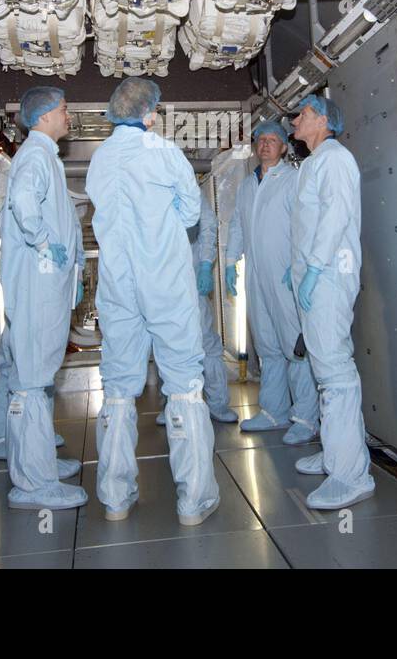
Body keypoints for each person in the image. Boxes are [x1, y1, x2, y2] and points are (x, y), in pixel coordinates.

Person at [87, 78, 220, 525]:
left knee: (120, 388)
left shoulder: (99, 159)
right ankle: (193, 500)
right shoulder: (164, 152)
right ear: (150, 114)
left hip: (118, 287)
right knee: (183, 383)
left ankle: (115, 498)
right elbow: (190, 213)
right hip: (164, 281)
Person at [0, 86, 87, 511]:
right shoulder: (34, 156)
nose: (69, 116)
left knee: (37, 378)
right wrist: (46, 242)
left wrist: (75, 270)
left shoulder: (45, 156)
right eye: (64, 109)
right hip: (37, 286)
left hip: (47, 285)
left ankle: (40, 460)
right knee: (30, 382)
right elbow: (25, 203)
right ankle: (32, 483)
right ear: (45, 115)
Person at [287, 95, 375, 510]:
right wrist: (299, 268)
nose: (295, 120)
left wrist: (316, 268)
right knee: (324, 369)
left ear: (322, 120)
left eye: (302, 114)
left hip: (329, 274)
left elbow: (335, 218)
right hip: (314, 274)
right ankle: (336, 451)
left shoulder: (336, 159)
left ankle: (351, 475)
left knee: (335, 370)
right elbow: (308, 223)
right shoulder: (312, 163)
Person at [224, 120, 319, 445]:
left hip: (286, 275)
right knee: (267, 345)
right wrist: (228, 262)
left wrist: (300, 266)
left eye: (272, 140)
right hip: (256, 275)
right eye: (260, 140)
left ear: (283, 147)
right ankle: (274, 411)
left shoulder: (293, 179)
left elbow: (306, 225)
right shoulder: (248, 185)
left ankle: (306, 417)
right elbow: (237, 224)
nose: (265, 145)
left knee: (295, 346)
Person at [157, 195, 238, 426]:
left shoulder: (187, 187)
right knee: (166, 343)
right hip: (160, 280)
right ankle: (172, 402)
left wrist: (205, 265)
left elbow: (209, 225)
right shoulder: (151, 187)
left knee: (205, 341)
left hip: (191, 276)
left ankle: (217, 403)